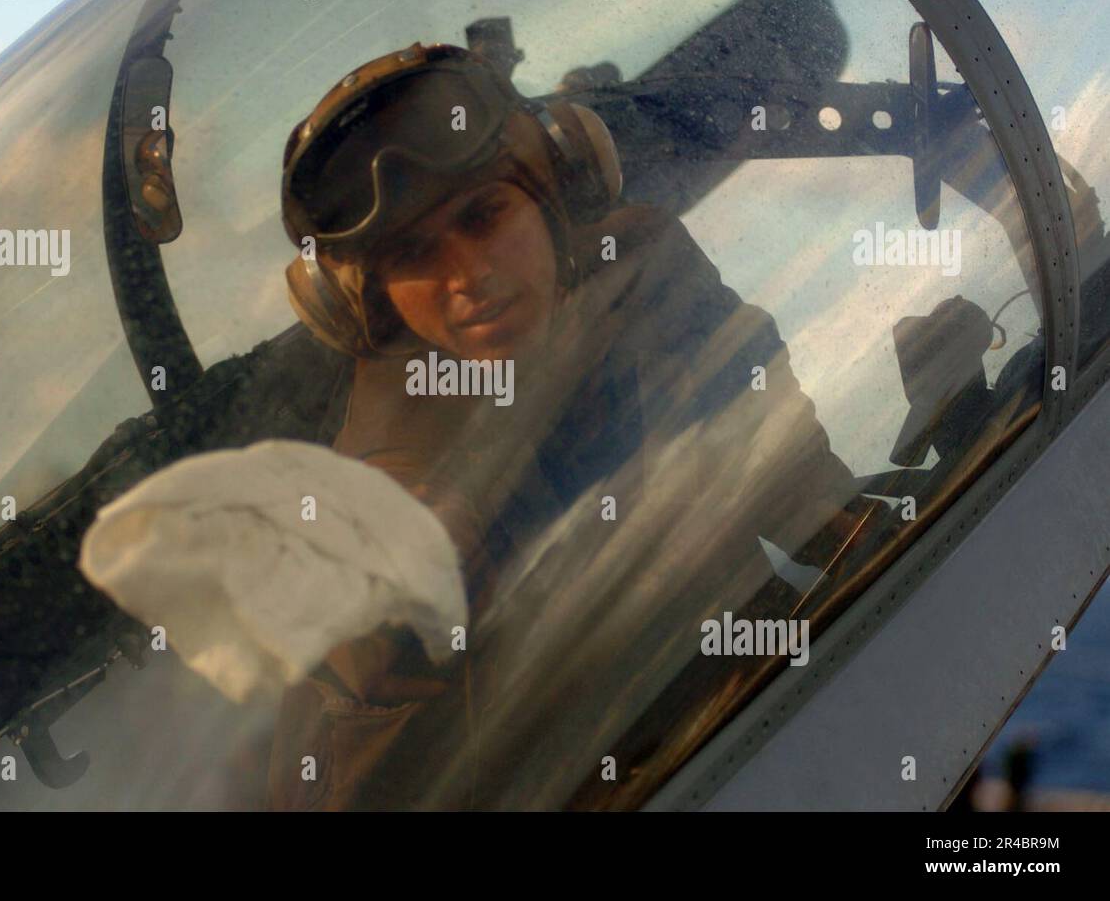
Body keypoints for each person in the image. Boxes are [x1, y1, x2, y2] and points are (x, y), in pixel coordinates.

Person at [267, 41, 875, 809]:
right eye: (414, 254)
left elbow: (798, 491)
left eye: (484, 216)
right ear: (366, 301)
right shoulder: (387, 470)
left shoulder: (641, 270)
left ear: (560, 187)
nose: (468, 276)